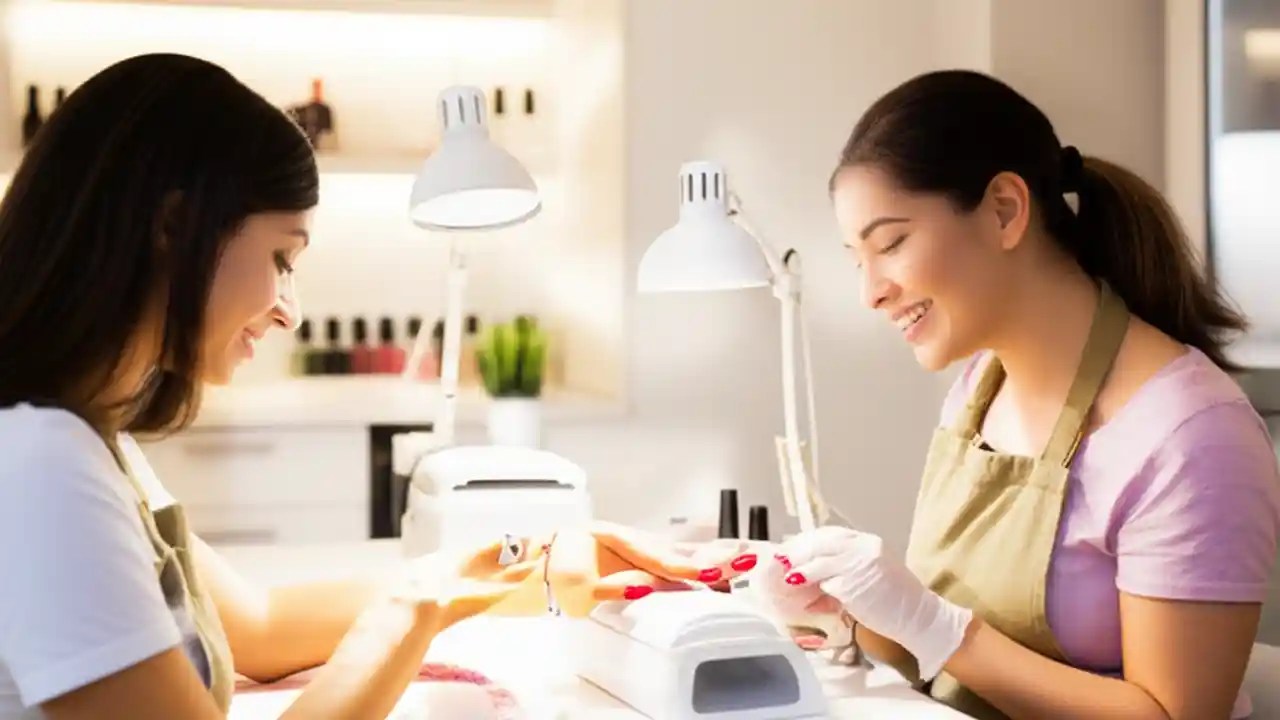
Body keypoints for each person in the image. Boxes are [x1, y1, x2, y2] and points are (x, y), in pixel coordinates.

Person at [0, 53, 752, 720]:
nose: (289, 310)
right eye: (284, 256)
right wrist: (413, 608)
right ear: (174, 225)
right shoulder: (42, 463)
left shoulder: (86, 442)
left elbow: (258, 628)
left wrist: (536, 567)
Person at [749, 70, 1280, 720]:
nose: (872, 292)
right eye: (858, 258)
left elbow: (1172, 717)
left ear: (1005, 210)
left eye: (890, 243)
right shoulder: (980, 390)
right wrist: (852, 614)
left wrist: (937, 627)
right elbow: (944, 656)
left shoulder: (1191, 437)